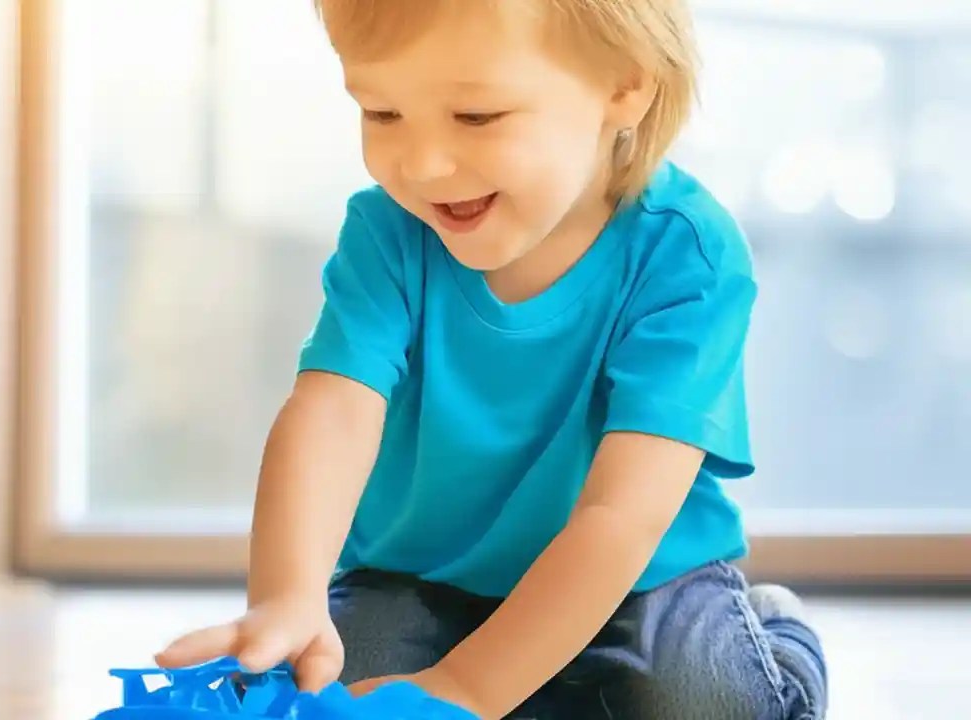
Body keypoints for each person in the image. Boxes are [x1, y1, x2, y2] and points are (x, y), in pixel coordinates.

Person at [157, 1, 828, 717]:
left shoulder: (687, 255)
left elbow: (618, 516)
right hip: (422, 572)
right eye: (382, 113)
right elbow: (332, 411)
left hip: (639, 578)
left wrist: (470, 688)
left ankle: (775, 636)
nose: (421, 164)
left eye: (475, 117)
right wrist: (287, 597)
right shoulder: (387, 235)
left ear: (624, 86)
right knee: (328, 693)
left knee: (710, 704)